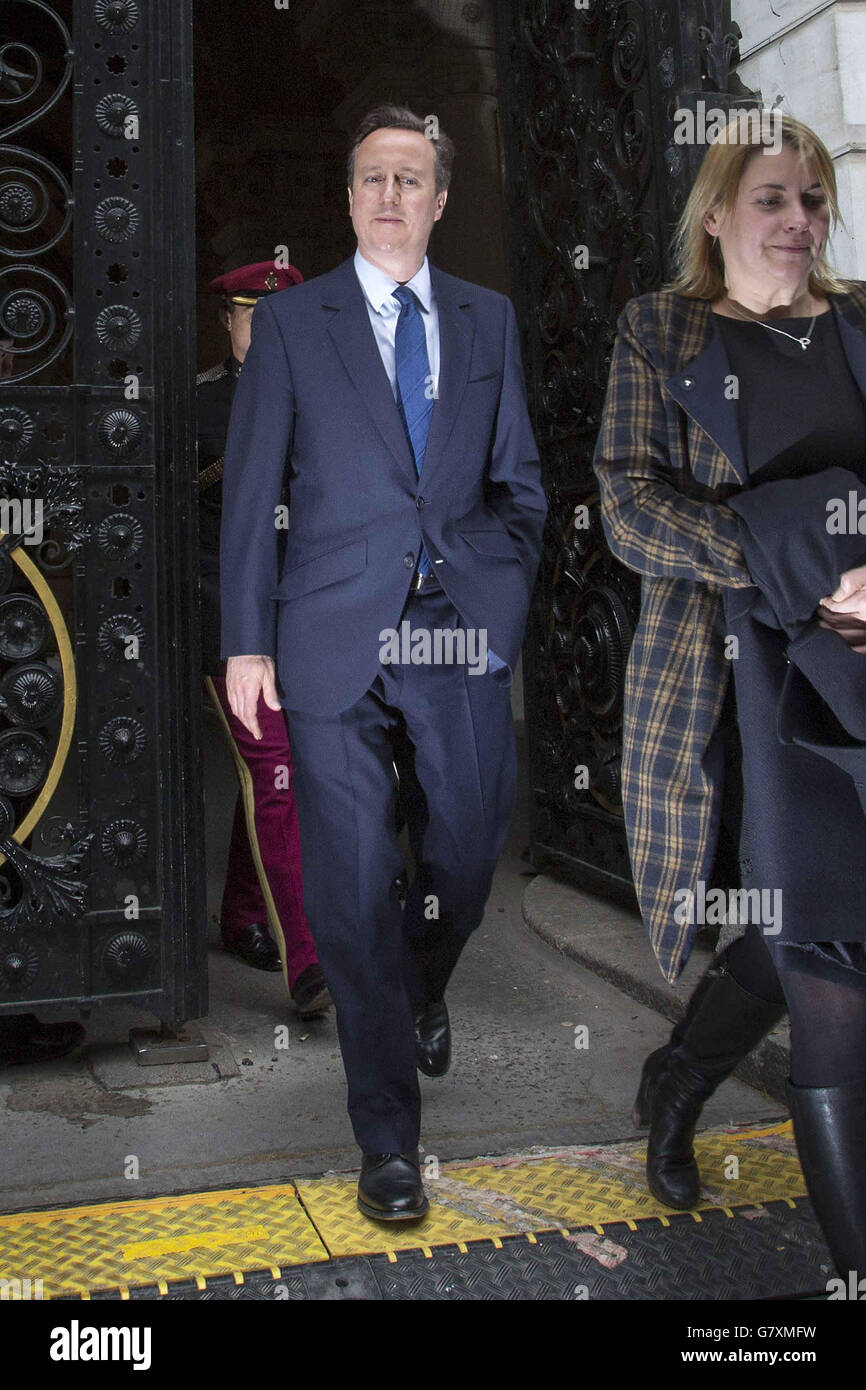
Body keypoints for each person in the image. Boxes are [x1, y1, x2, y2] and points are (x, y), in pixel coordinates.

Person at [220, 105, 546, 1221]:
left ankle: (418, 981)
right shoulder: (292, 324)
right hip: (328, 632)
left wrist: (500, 606)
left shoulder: (487, 318)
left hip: (454, 626)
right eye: (372, 178)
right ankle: (389, 1140)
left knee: (468, 844)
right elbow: (251, 489)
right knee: (352, 887)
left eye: (411, 178)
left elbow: (519, 485)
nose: (390, 195)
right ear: (349, 198)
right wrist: (245, 639)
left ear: (440, 200)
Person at [593, 111, 866, 1282]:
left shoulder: (858, 321)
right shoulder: (660, 331)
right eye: (769, 197)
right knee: (821, 953)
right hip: (743, 675)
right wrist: (797, 552)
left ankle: (680, 1072)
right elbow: (627, 507)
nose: (796, 218)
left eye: (810, 198)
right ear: (714, 214)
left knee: (810, 914)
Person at [198, 260, 331, 1020]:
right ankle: (311, 961)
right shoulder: (197, 406)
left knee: (287, 772)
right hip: (228, 624)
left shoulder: (326, 400)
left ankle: (244, 913)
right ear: (228, 320)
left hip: (307, 619)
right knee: (274, 771)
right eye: (254, 314)